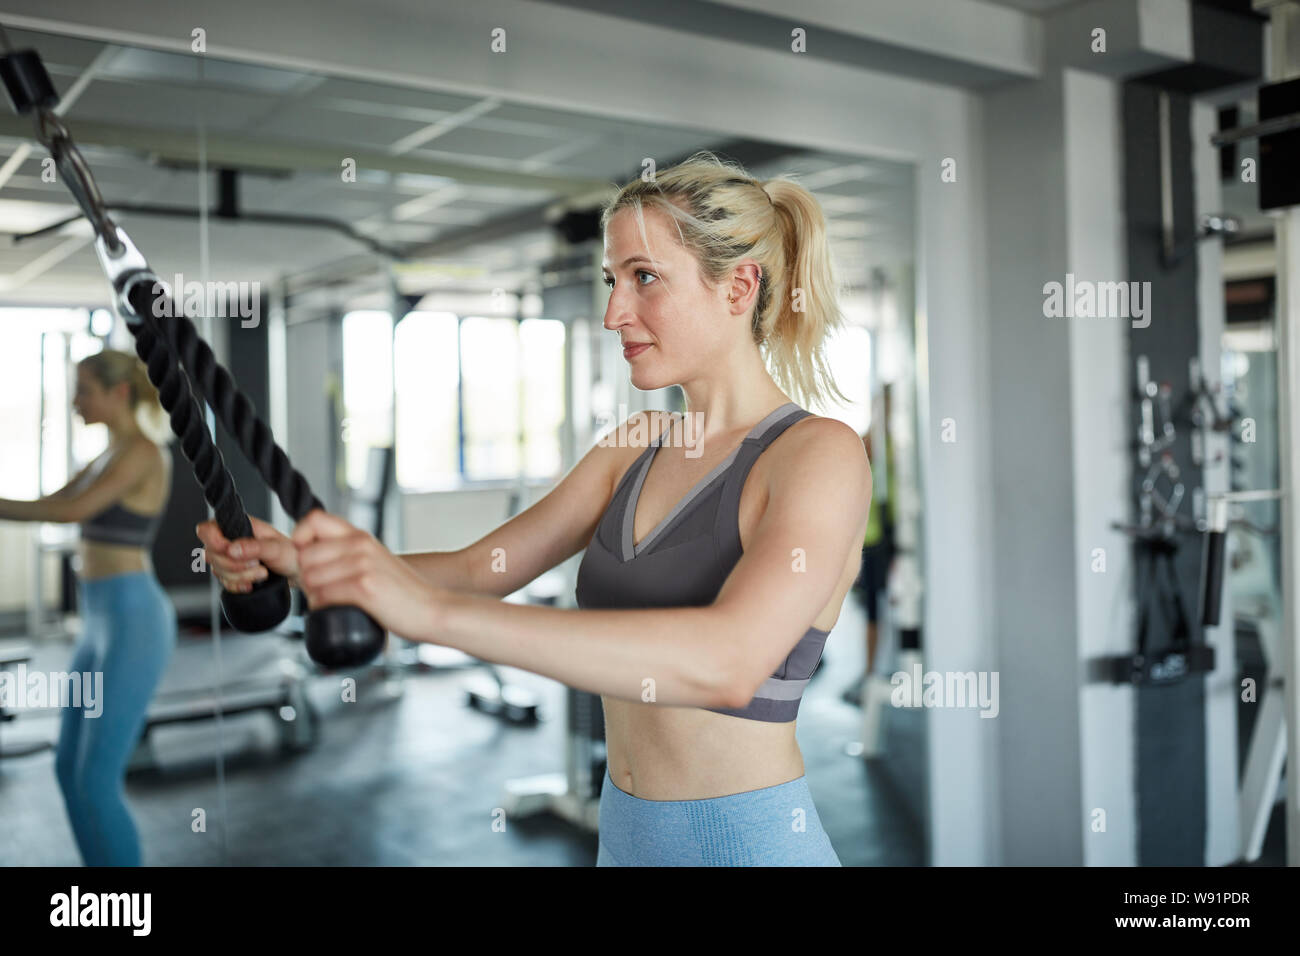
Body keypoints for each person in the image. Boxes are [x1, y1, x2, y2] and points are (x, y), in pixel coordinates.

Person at [198, 151, 872, 867]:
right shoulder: (633, 448)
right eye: (612, 281)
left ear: (738, 287)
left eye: (644, 278)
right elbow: (476, 568)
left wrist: (431, 620)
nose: (615, 312)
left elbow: (730, 661)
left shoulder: (816, 455)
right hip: (624, 840)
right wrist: (304, 564)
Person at [0, 348, 176, 866]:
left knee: (97, 780)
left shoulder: (143, 453)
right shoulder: (103, 455)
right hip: (97, 622)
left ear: (119, 393)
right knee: (68, 772)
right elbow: (49, 503)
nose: (76, 401)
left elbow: (70, 511)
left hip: (133, 621)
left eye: (84, 390)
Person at [843, 384, 896, 707]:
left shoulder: (900, 448)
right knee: (874, 609)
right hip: (872, 542)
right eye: (882, 406)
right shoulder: (867, 444)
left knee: (890, 608)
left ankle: (878, 672)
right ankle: (869, 673)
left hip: (893, 539)